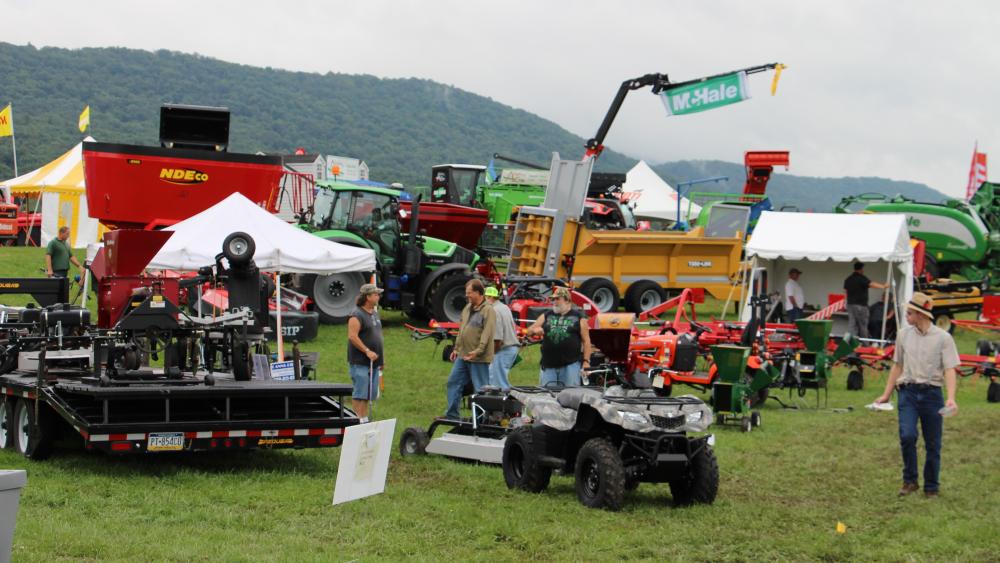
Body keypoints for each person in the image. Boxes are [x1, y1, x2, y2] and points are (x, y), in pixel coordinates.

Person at [873, 292, 959, 498]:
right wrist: (886, 394)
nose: (907, 316)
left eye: (909, 313)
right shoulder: (903, 335)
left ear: (921, 315)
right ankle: (909, 480)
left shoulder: (943, 338)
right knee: (907, 435)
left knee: (933, 443)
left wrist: (951, 397)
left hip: (932, 394)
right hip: (908, 393)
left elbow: (949, 369)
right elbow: (897, 366)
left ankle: (931, 487)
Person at [444, 279, 496, 419]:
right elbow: (462, 329)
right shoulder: (467, 308)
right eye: (466, 293)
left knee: (480, 389)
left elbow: (487, 333)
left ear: (478, 293)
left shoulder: (488, 310)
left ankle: (482, 418)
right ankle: (452, 415)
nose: (467, 296)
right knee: (453, 382)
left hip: (479, 357)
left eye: (469, 293)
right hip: (463, 355)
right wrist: (456, 348)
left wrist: (478, 351)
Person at [526, 287, 592, 387]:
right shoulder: (546, 315)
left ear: (567, 300)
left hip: (571, 365)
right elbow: (529, 332)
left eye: (558, 299)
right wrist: (534, 330)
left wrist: (586, 362)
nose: (554, 302)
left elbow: (586, 341)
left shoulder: (579, 318)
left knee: (570, 396)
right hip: (548, 365)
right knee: (546, 397)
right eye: (553, 299)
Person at [347, 284, 384, 421]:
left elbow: (378, 336)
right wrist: (367, 351)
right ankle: (357, 420)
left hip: (374, 362)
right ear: (367, 297)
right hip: (360, 362)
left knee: (370, 393)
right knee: (360, 393)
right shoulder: (356, 315)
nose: (378, 297)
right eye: (375, 294)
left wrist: (381, 360)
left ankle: (365, 419)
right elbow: (352, 336)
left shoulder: (374, 313)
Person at [486, 285, 519, 390]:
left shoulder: (494, 311)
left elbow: (497, 339)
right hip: (511, 348)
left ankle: (502, 404)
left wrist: (492, 355)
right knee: (499, 380)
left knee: (497, 384)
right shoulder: (504, 307)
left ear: (490, 297)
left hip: (503, 349)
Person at [843, 262, 887, 338]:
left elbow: (845, 291)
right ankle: (865, 344)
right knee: (863, 326)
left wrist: (845, 302)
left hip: (850, 305)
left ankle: (849, 342)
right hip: (861, 306)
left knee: (852, 325)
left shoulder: (848, 279)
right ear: (861, 269)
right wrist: (883, 286)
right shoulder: (861, 278)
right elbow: (871, 284)